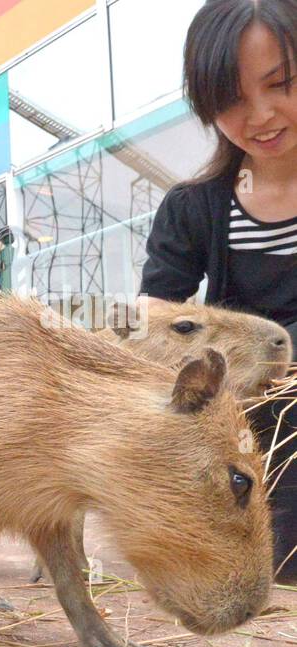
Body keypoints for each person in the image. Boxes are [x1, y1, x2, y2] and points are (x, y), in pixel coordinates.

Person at [141, 0, 297, 581]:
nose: (261, 115)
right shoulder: (194, 209)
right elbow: (157, 314)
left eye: (282, 83)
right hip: (244, 441)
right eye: (232, 99)